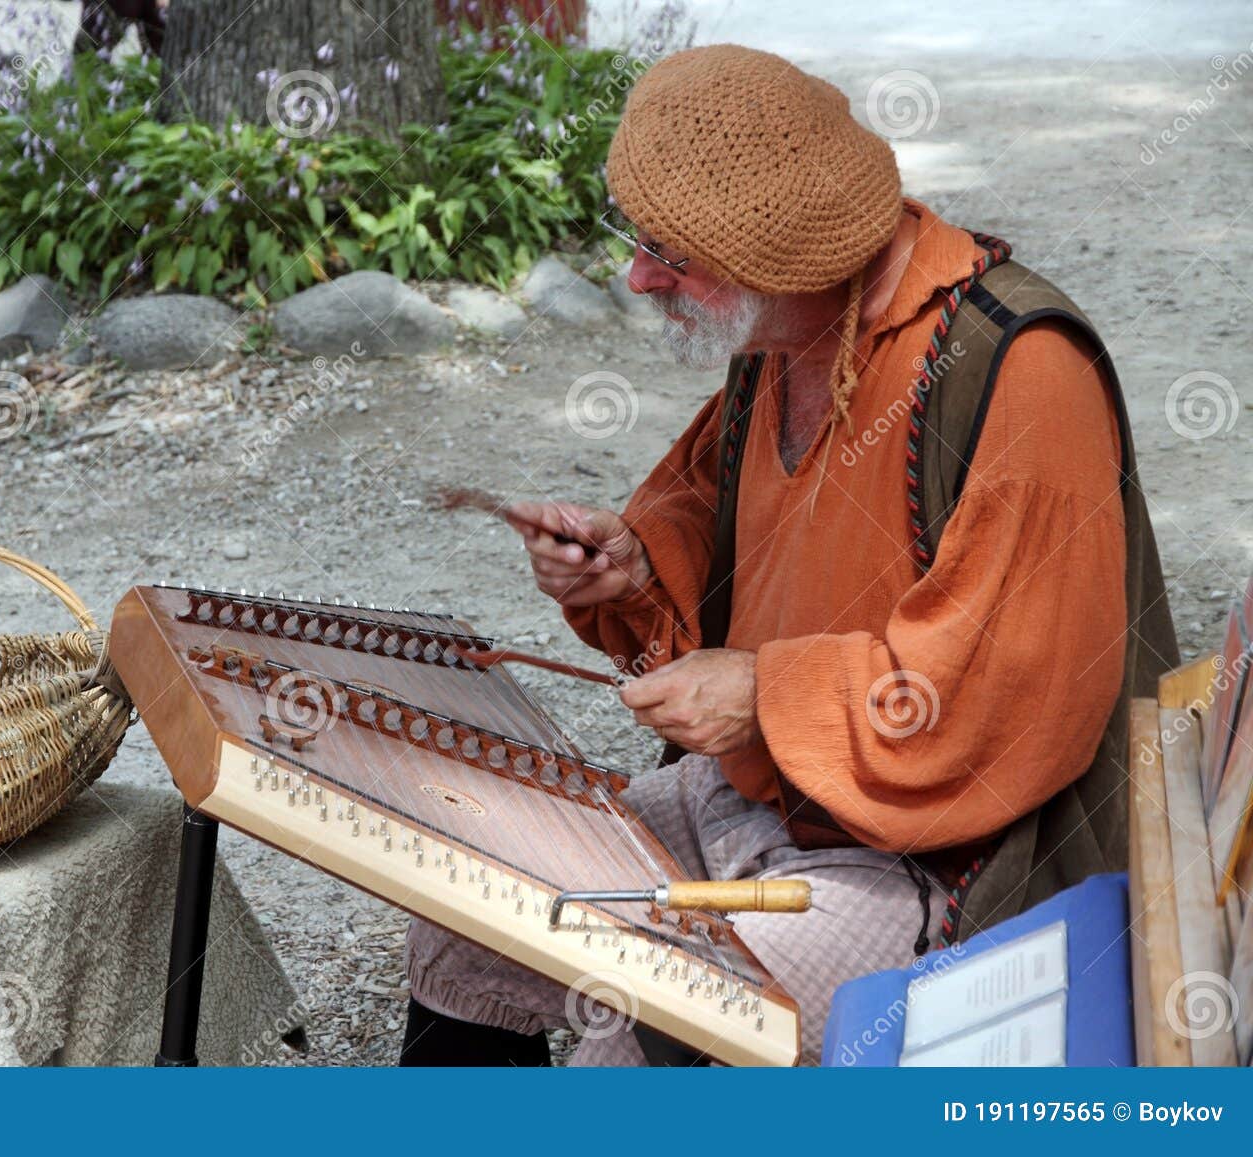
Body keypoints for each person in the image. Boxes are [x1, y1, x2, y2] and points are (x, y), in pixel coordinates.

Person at [399, 44, 1178, 1066]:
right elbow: (719, 531)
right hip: (755, 802)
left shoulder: (1017, 370)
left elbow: (1011, 698)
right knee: (468, 895)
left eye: (668, 254)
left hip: (949, 871)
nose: (637, 276)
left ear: (785, 260)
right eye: (634, 240)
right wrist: (635, 567)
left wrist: (767, 693)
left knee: (647, 1012)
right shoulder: (787, 338)